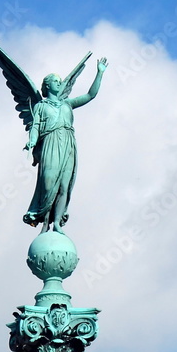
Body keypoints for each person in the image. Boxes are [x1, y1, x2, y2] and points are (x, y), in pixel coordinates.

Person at [23, 58, 107, 233]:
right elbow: (36, 126)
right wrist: (31, 141)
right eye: (54, 80)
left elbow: (90, 95)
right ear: (46, 87)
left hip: (68, 143)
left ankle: (57, 223)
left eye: (60, 80)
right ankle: (44, 224)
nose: (59, 82)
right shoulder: (40, 106)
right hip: (51, 143)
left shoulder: (67, 103)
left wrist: (99, 73)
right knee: (48, 183)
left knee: (64, 186)